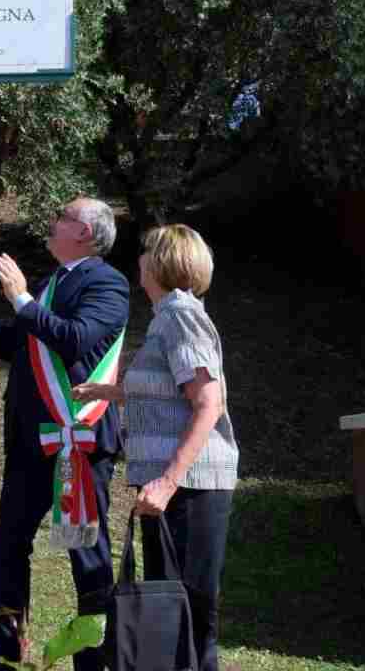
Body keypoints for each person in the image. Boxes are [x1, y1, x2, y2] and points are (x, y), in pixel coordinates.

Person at [0, 197, 129, 671]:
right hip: (33, 442)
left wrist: (23, 299)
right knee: (8, 544)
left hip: (76, 441)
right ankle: (6, 656)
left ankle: (95, 661)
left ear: (85, 232)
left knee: (83, 551)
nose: (53, 221)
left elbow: (74, 340)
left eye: (63, 216)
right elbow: (25, 347)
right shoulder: (52, 283)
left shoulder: (107, 282)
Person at [74, 223, 236, 671]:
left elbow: (208, 403)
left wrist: (167, 482)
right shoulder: (167, 317)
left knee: (190, 612)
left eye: (145, 253)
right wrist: (108, 393)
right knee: (171, 608)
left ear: (162, 262)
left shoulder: (181, 315)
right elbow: (168, 389)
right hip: (169, 488)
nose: (139, 261)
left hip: (190, 486)